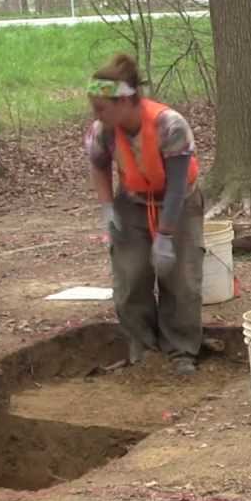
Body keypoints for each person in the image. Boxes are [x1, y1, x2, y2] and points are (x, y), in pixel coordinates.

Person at [86, 53, 204, 375]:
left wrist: (165, 236)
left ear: (125, 102)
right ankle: (142, 347)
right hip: (132, 201)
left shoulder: (170, 125)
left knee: (180, 278)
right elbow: (98, 164)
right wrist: (107, 206)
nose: (96, 115)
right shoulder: (104, 130)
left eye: (101, 108)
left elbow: (177, 186)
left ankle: (181, 349)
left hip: (178, 202)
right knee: (131, 275)